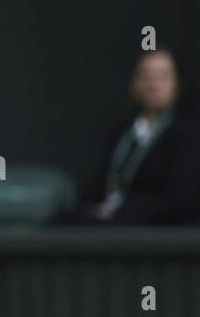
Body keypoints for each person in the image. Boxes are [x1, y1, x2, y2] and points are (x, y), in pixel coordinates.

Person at [80, 49, 199, 224]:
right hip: (107, 222)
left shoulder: (189, 134)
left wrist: (120, 212)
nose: (153, 84)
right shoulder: (122, 132)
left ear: (178, 84)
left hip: (154, 230)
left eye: (163, 77)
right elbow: (97, 184)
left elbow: (180, 199)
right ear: (134, 83)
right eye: (146, 76)